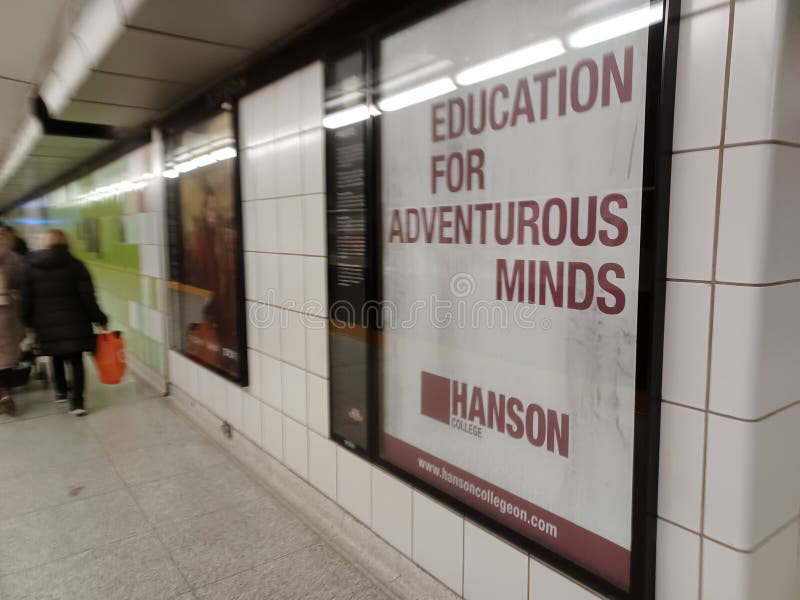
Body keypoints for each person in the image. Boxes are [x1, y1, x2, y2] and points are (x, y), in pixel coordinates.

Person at [21, 229, 108, 416]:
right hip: (75, 321)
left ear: (45, 243)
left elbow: (26, 298)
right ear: (66, 243)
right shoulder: (77, 265)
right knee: (76, 360)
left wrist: (27, 321)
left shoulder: (30, 267)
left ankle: (61, 392)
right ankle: (77, 403)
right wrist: (101, 319)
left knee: (56, 355)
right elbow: (88, 298)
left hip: (45, 323)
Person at [0, 228, 24, 415]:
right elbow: (20, 281)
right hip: (5, 310)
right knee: (7, 353)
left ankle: (3, 393)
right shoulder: (11, 258)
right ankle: (6, 389)